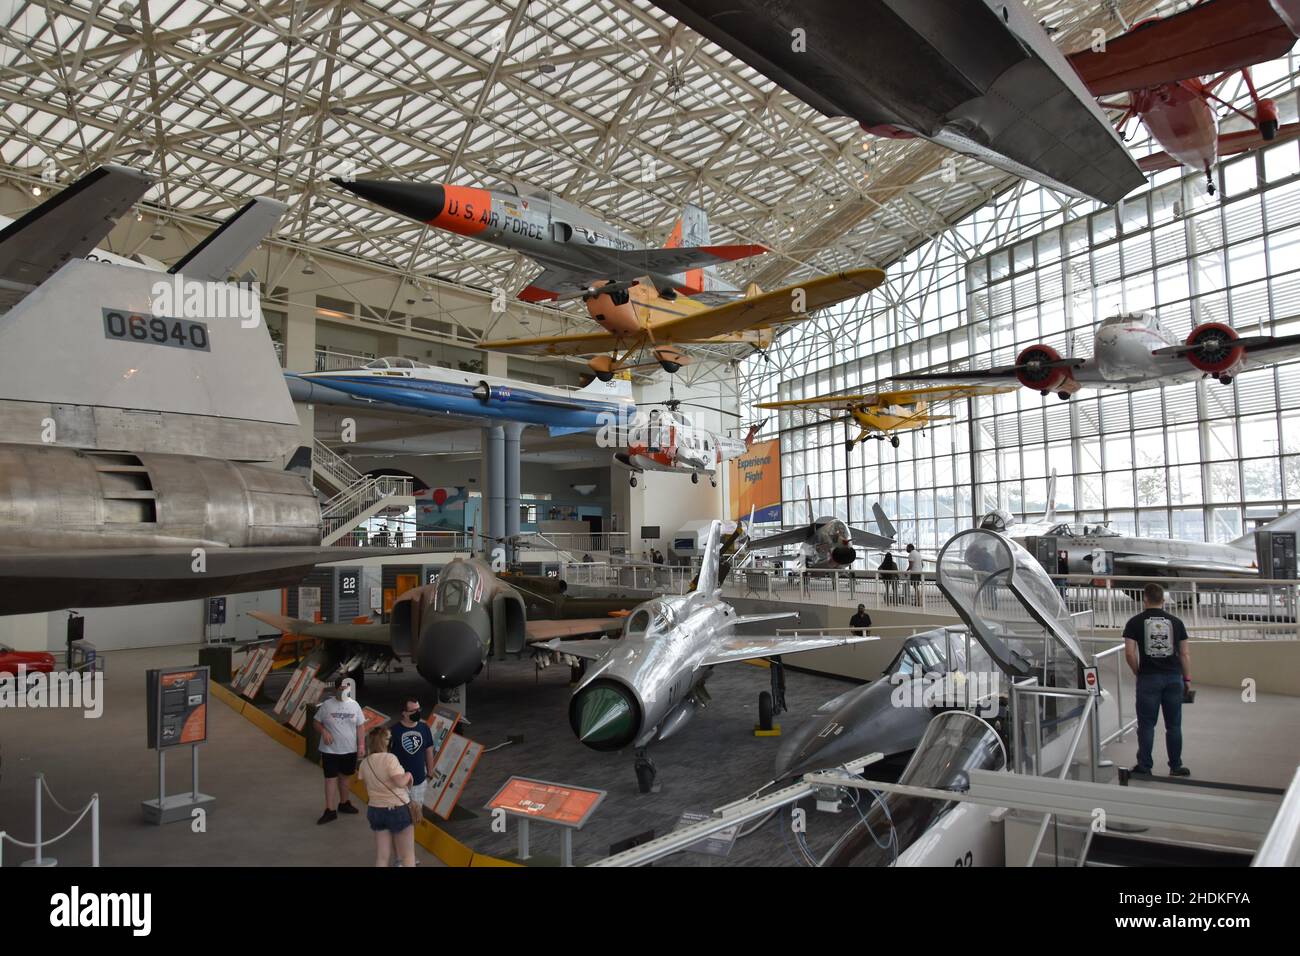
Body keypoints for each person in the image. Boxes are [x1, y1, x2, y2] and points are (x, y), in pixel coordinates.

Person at [1123, 583, 1192, 777]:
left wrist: (1138, 672)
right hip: (1173, 678)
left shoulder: (1134, 622)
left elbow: (1129, 653)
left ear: (1144, 599)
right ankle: (1176, 766)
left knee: (1146, 725)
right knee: (1174, 725)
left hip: (1148, 679)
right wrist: (1186, 679)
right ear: (1163, 600)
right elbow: (1185, 654)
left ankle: (1144, 766)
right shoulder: (1176, 622)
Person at [359, 726, 417, 867]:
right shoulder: (390, 758)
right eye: (389, 738)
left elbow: (365, 782)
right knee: (408, 855)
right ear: (385, 742)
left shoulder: (365, 763)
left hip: (375, 810)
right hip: (397, 809)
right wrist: (408, 774)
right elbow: (400, 782)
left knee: (382, 857)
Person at [313, 677, 366, 825]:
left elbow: (360, 726)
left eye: (346, 689)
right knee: (330, 778)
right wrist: (324, 732)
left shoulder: (354, 705)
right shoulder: (327, 706)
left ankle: (344, 803)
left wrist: (361, 746)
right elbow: (316, 722)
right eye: (341, 689)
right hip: (330, 750)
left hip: (349, 749)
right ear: (336, 689)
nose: (343, 691)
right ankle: (329, 810)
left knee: (345, 777)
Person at [389, 698, 436, 809]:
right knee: (400, 815)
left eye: (419, 709)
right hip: (400, 783)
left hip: (419, 782)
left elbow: (429, 751)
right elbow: (387, 756)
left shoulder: (424, 728)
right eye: (413, 711)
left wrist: (430, 773)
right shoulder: (393, 731)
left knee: (416, 814)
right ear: (404, 713)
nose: (418, 713)